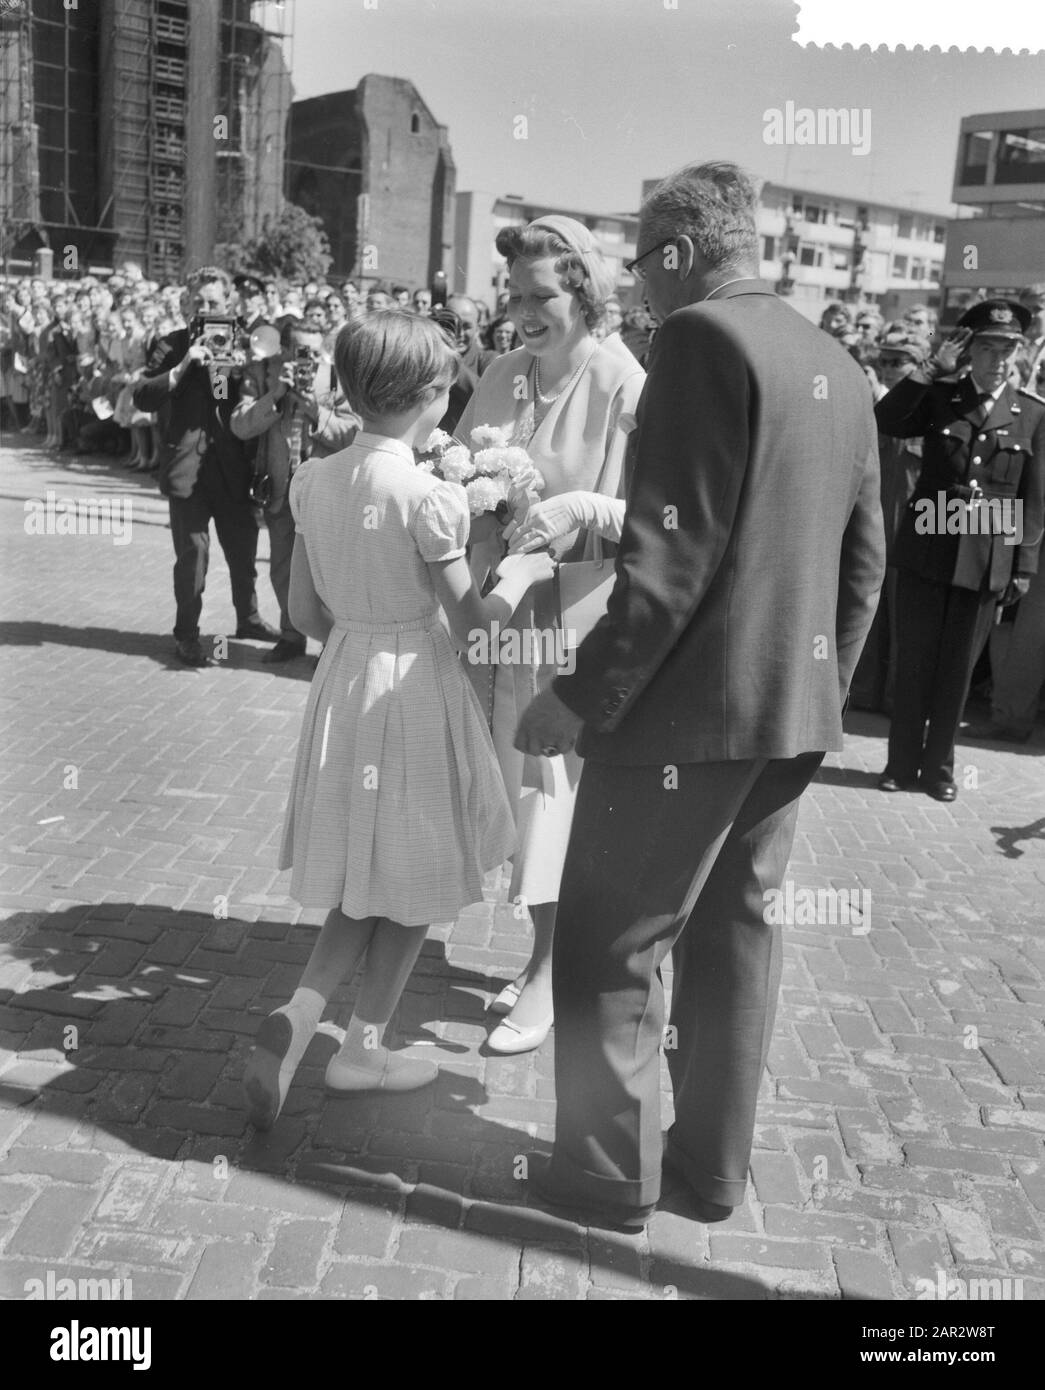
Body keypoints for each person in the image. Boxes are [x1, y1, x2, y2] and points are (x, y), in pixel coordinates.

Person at [513, 161, 885, 1231]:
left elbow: (667, 558)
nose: (636, 284)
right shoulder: (836, 362)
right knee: (731, 947)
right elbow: (864, 560)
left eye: (639, 259)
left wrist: (579, 700)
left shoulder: (700, 343)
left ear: (679, 251)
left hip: (681, 717)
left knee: (610, 943)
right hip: (788, 712)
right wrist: (820, 686)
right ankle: (709, 1173)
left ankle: (601, 1174)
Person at [241, 311, 553, 1128]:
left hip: (345, 679)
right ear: (427, 395)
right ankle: (360, 1048)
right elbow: (477, 631)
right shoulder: (427, 497)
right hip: (414, 688)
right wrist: (518, 568)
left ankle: (305, 1012)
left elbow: (304, 612)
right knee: (414, 876)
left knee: (361, 869)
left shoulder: (315, 479)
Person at [456, 215, 645, 1056]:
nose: (523, 312)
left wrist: (564, 520)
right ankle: (543, 951)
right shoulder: (502, 371)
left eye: (542, 296)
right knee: (515, 787)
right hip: (500, 618)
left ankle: (550, 975)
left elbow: (655, 522)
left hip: (574, 622)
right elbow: (451, 467)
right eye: (515, 295)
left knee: (553, 797)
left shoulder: (620, 382)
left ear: (584, 293)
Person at [875, 299, 1045, 800]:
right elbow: (886, 419)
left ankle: (939, 771)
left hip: (988, 549)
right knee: (916, 662)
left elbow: (1033, 501)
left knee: (958, 670)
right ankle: (900, 766)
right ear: (970, 351)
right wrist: (928, 370)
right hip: (930, 537)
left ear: (1019, 352)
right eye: (988, 348)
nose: (998, 359)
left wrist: (1022, 567)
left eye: (1007, 349)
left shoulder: (1030, 413)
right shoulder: (940, 395)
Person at [133, 266, 280, 666]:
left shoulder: (248, 344)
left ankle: (248, 618)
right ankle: (186, 633)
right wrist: (182, 367)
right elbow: (143, 396)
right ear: (184, 305)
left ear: (229, 304)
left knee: (244, 551)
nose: (206, 308)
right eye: (198, 302)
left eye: (214, 302)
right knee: (193, 555)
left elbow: (266, 389)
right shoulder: (170, 343)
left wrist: (248, 366)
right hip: (187, 469)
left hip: (233, 467)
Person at [232, 320, 360, 663]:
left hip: (326, 491)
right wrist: (274, 396)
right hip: (280, 486)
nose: (307, 357)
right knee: (283, 568)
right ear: (285, 349)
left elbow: (353, 433)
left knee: (328, 570)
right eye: (299, 349)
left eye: (313, 350)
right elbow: (240, 425)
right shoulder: (261, 373)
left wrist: (315, 410)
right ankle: (291, 636)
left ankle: (330, 642)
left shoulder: (337, 377)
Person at [850, 327, 930, 712]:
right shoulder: (870, 411)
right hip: (872, 532)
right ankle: (863, 693)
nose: (888, 368)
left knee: (908, 621)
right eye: (883, 361)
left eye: (899, 361)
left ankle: (899, 699)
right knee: (867, 614)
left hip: (915, 532)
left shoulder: (933, 411)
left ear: (919, 365)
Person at [446, 294, 495, 378]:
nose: (460, 333)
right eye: (453, 324)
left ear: (477, 329)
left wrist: (447, 360)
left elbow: (482, 389)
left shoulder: (488, 359)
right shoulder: (431, 358)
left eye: (466, 326)